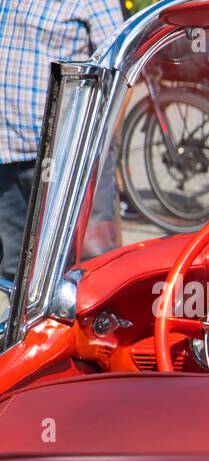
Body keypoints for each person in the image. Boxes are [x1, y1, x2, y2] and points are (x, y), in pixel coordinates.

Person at [0, 0, 120, 281]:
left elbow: (119, 75)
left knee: (87, 268)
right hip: (6, 151)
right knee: (15, 269)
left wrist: (103, 149)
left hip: (66, 156)